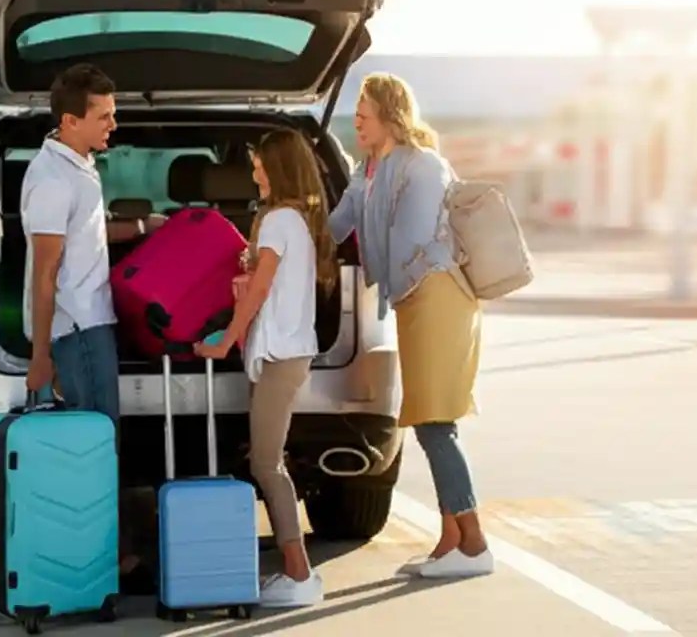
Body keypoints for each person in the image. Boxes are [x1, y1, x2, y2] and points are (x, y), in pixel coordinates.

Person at [327, 72, 494, 579]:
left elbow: (415, 241)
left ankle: (476, 546)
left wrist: (390, 284)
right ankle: (451, 540)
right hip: (412, 299)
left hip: (436, 296)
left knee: (435, 422)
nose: (356, 118)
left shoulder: (422, 166)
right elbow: (337, 225)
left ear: (390, 114)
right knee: (428, 418)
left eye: (364, 108)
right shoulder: (369, 172)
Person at [20, 62, 164, 591]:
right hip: (79, 331)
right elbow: (45, 274)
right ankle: (106, 563)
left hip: (92, 324)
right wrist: (42, 355)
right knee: (97, 450)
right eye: (103, 116)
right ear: (69, 120)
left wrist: (144, 227)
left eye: (113, 113)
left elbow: (88, 231)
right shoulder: (53, 180)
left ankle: (103, 559)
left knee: (100, 446)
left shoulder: (77, 166)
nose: (113, 125)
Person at [194, 129, 337, 607]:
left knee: (266, 463)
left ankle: (299, 575)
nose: (253, 173)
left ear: (277, 169)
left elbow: (259, 290)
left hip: (281, 357)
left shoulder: (277, 219)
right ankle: (297, 571)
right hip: (287, 354)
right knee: (266, 459)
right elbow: (264, 284)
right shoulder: (295, 220)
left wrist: (227, 338)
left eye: (258, 165)